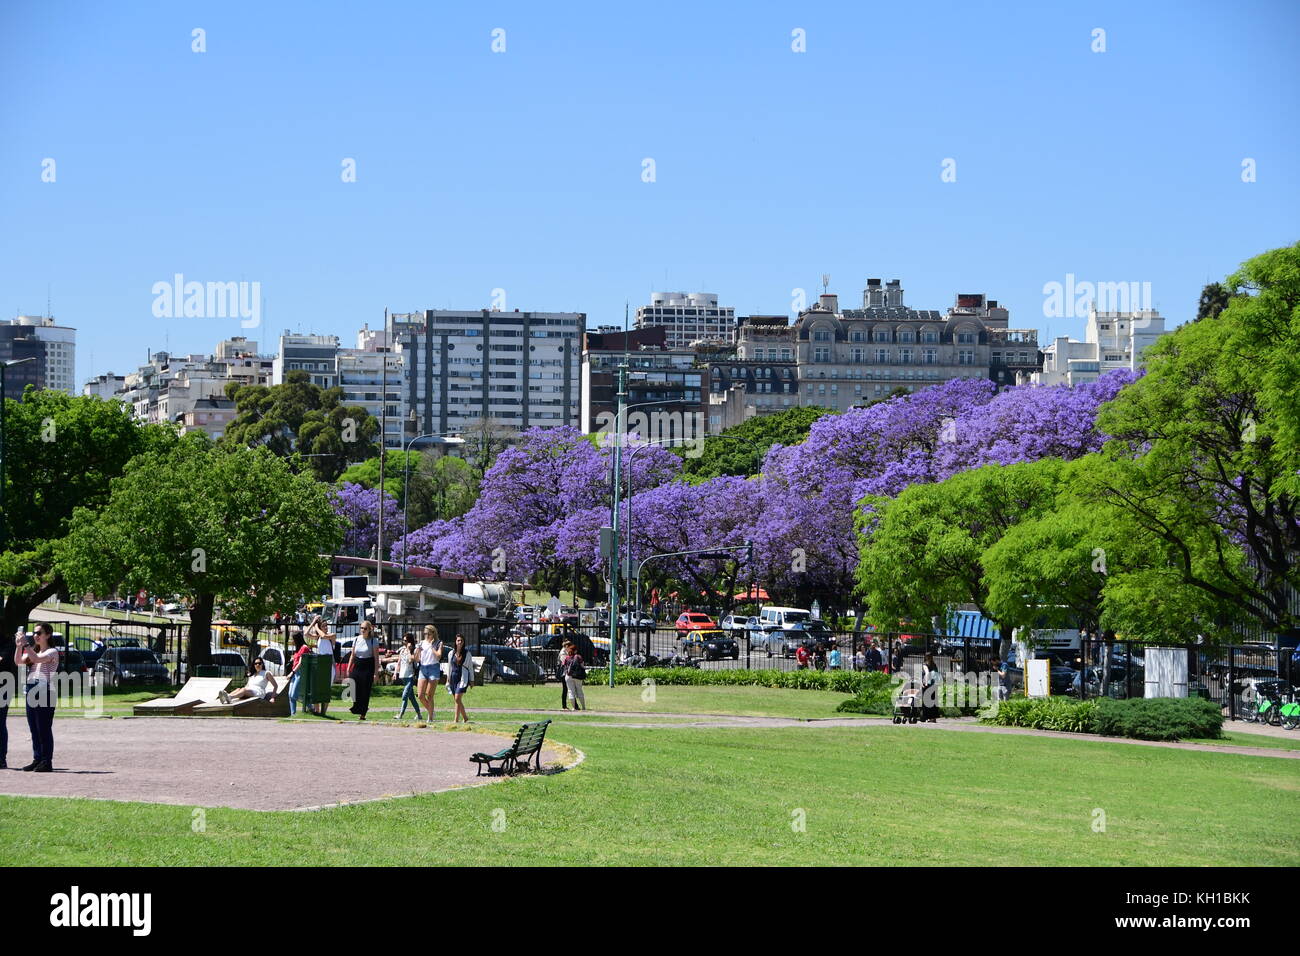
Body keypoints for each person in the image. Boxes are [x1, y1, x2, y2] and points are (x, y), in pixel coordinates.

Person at [15, 624, 59, 771]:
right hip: (31, 690)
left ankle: (47, 761)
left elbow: (37, 659)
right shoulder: (34, 650)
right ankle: (38, 758)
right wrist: (19, 646)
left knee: (43, 728)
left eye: (39, 633)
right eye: (34, 633)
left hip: (45, 691)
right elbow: (19, 661)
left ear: (48, 635)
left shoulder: (52, 652)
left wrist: (26, 644)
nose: (35, 635)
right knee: (34, 727)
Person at [348, 619, 381, 721]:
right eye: (361, 628)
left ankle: (363, 712)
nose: (363, 630)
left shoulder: (373, 641)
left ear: (369, 629)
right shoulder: (357, 639)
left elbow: (376, 658)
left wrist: (376, 673)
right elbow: (352, 655)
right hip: (357, 665)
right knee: (354, 687)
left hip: (368, 666)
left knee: (365, 690)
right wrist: (349, 667)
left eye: (365, 628)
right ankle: (356, 706)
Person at [306, 616, 337, 716]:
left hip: (329, 665)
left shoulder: (331, 636)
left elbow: (324, 635)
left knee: (326, 689)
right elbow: (306, 634)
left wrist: (317, 627)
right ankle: (317, 710)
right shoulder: (318, 637)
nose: (326, 628)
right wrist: (313, 623)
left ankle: (324, 712)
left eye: (326, 626)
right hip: (320, 664)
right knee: (317, 688)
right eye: (323, 626)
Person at [416, 625, 444, 720]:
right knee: (420, 695)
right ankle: (431, 711)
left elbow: (439, 656)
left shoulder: (438, 643)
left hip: (433, 668)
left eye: (428, 634)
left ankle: (430, 718)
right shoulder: (421, 643)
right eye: (425, 634)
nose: (426, 635)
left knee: (430, 695)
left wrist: (432, 646)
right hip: (423, 668)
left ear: (433, 633)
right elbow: (417, 659)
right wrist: (417, 651)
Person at [394, 634, 422, 721]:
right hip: (403, 676)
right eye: (403, 640)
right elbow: (398, 662)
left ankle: (400, 715)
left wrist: (409, 650)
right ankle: (419, 715)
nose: (404, 642)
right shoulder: (402, 650)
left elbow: (411, 660)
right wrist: (395, 673)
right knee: (412, 698)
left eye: (405, 640)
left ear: (410, 642)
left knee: (404, 696)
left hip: (410, 676)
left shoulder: (413, 650)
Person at [445, 634, 472, 723]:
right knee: (457, 700)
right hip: (453, 677)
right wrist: (447, 678)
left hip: (462, 677)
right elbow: (449, 667)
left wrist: (472, 680)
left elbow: (470, 667)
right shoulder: (451, 653)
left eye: (461, 641)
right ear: (455, 642)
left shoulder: (467, 654)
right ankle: (460, 719)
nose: (459, 642)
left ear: (463, 642)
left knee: (457, 698)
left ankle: (461, 718)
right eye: (458, 640)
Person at [287, 634, 312, 716]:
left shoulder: (304, 647)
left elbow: (301, 663)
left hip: (299, 673)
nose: (292, 641)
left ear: (297, 639)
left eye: (293, 639)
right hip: (295, 673)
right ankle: (293, 714)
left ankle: (310, 707)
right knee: (290, 695)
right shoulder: (298, 648)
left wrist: (292, 672)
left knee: (294, 694)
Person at [559, 640, 586, 711]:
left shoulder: (567, 657)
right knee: (579, 691)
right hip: (577, 675)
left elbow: (563, 665)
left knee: (571, 691)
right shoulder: (578, 657)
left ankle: (574, 707)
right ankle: (583, 707)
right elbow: (582, 666)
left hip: (568, 675)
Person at [920, 652, 940, 722]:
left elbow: (927, 673)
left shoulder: (925, 665)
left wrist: (925, 682)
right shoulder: (934, 665)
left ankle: (927, 717)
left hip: (927, 685)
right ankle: (933, 718)